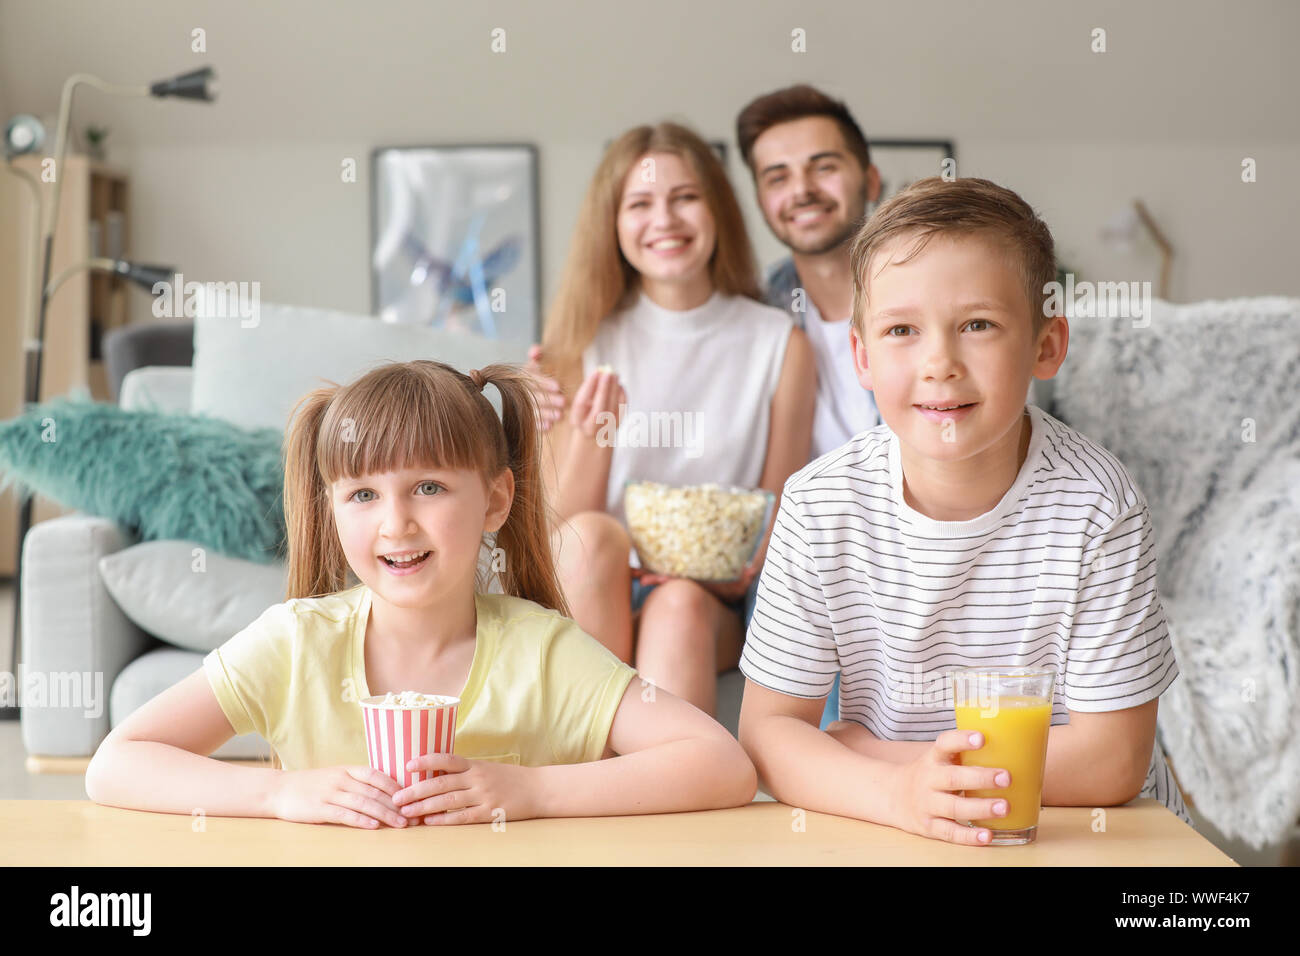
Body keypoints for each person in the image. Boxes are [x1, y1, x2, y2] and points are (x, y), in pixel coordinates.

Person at [85, 360, 757, 827]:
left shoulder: (542, 650)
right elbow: (115, 765)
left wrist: (534, 791)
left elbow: (721, 765)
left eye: (429, 487)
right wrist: (279, 794)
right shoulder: (296, 642)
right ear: (329, 508)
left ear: (496, 498)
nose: (396, 523)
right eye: (363, 495)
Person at [737, 176, 1191, 846]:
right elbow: (768, 734)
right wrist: (898, 792)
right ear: (861, 356)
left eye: (977, 325)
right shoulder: (817, 506)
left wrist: (878, 758)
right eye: (901, 330)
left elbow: (1112, 762)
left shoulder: (1099, 505)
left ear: (1046, 346)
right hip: (901, 828)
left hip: (1086, 836)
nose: (939, 362)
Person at [537, 121, 815, 718]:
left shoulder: (778, 345)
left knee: (679, 605)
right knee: (593, 537)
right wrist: (592, 433)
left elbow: (779, 505)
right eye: (640, 203)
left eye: (685, 198)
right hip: (598, 583)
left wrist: (728, 572)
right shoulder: (583, 341)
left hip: (713, 596)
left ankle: (668, 787)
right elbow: (561, 527)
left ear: (717, 211)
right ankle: (592, 773)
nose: (664, 220)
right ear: (612, 224)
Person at [735, 83, 884, 726]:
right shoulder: (748, 315)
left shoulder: (933, 291)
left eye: (823, 166)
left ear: (869, 179)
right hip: (799, 555)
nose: (802, 190)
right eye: (778, 176)